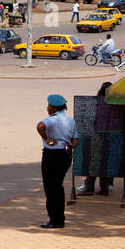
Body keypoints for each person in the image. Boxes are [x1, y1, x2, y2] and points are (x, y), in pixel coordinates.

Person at [36, 94, 77, 229]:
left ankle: (55, 219)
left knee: (50, 188)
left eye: (49, 106)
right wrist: (68, 146)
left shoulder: (52, 120)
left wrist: (47, 139)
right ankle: (59, 218)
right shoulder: (70, 120)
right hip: (65, 155)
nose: (47, 108)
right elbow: (75, 141)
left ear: (54, 108)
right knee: (58, 186)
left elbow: (40, 126)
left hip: (52, 156)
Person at [77, 82, 116, 195]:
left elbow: (88, 119)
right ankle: (104, 188)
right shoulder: (115, 104)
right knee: (104, 163)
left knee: (93, 162)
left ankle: (89, 187)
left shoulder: (95, 103)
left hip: (95, 136)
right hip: (110, 137)